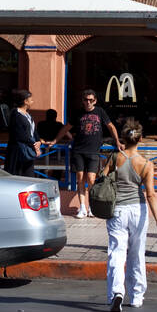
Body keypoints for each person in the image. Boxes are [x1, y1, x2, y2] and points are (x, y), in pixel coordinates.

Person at [102, 117, 157, 312]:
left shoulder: (114, 158)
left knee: (116, 252)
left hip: (117, 210)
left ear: (124, 139)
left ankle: (116, 293)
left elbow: (102, 178)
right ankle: (137, 295)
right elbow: (151, 195)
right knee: (137, 253)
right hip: (138, 210)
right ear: (140, 140)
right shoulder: (146, 164)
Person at [56, 89, 121, 219]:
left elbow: (111, 127)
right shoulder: (78, 113)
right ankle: (82, 208)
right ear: (83, 101)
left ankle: (92, 206)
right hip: (79, 150)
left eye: (91, 100)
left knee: (91, 179)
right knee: (80, 178)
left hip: (93, 151)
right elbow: (66, 128)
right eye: (86, 100)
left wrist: (117, 142)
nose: (88, 102)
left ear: (95, 101)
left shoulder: (100, 111)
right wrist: (55, 140)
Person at [3, 89, 42, 177]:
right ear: (25, 101)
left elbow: (33, 130)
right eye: (31, 100)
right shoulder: (15, 114)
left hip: (28, 151)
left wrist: (38, 141)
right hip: (18, 151)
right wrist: (34, 145)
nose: (33, 102)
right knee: (17, 177)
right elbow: (20, 135)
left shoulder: (27, 114)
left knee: (29, 176)